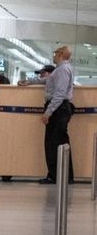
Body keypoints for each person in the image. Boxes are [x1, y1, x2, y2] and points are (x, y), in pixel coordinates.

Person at [39, 46, 75, 184]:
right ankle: (64, 176)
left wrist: (48, 113)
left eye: (55, 53)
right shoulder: (61, 69)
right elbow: (48, 81)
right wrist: (30, 81)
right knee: (60, 142)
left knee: (54, 143)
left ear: (60, 54)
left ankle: (56, 176)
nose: (53, 56)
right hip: (60, 109)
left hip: (58, 109)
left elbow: (59, 94)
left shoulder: (63, 70)